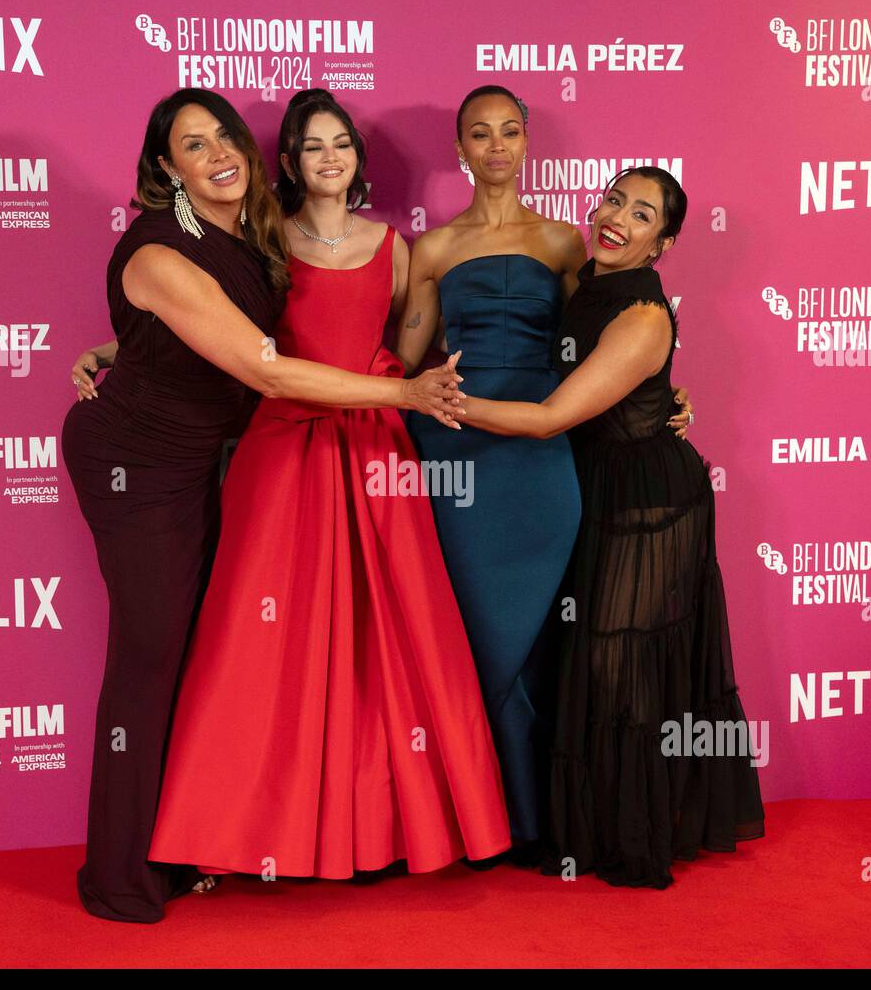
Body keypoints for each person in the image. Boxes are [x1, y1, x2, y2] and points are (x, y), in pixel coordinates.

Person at [61, 88, 464, 923]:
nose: (215, 153)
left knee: (195, 650)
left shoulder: (240, 233)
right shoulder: (160, 251)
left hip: (208, 459)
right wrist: (407, 392)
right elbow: (272, 369)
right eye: (191, 145)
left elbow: (213, 329)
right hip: (137, 463)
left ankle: (171, 846)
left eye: (224, 137)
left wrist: (116, 343)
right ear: (164, 168)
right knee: (150, 654)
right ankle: (119, 875)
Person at [146, 90, 512, 882]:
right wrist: (113, 350)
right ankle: (229, 835)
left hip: (377, 450)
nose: (330, 157)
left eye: (341, 143)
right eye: (313, 147)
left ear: (357, 156)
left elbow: (415, 360)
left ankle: (387, 829)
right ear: (289, 161)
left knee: (387, 639)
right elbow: (216, 326)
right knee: (262, 641)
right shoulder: (260, 237)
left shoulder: (399, 248)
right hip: (284, 452)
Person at [394, 86, 692, 858]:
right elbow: (401, 358)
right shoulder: (430, 250)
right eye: (479, 134)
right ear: (459, 148)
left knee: (535, 631)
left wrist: (664, 396)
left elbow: (605, 345)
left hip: (540, 452)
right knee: (469, 630)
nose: (496, 146)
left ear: (528, 143)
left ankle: (530, 820)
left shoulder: (569, 243)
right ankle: (467, 815)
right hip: (456, 451)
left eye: (511, 131)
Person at [454, 166, 765, 887]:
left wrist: (438, 403)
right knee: (591, 661)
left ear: (665, 242)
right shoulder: (588, 279)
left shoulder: (644, 316)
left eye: (643, 214)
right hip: (593, 488)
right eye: (615, 200)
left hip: (649, 502)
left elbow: (550, 418)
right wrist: (668, 393)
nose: (618, 217)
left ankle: (635, 839)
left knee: (625, 671)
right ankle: (588, 828)